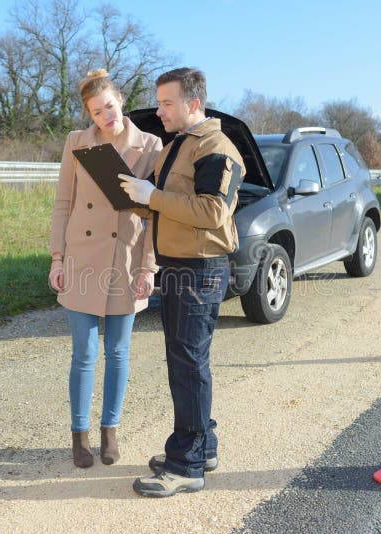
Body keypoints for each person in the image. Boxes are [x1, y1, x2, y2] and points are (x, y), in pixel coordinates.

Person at [119, 67, 245, 497]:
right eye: (159, 102)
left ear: (193, 104)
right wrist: (134, 198)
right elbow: (170, 206)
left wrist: (150, 196)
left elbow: (212, 212)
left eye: (167, 103)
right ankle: (202, 445)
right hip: (179, 265)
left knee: (188, 365)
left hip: (201, 269)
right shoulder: (177, 147)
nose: (159, 110)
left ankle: (187, 465)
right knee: (188, 362)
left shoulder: (216, 148)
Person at [49, 69, 162, 468]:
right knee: (84, 353)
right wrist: (57, 258)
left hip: (125, 260)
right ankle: (79, 436)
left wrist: (148, 267)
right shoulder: (76, 143)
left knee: (117, 352)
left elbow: (154, 214)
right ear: (89, 114)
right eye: (96, 112)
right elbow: (64, 203)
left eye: (109, 107)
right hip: (80, 257)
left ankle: (109, 432)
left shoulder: (150, 145)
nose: (105, 117)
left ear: (120, 102)